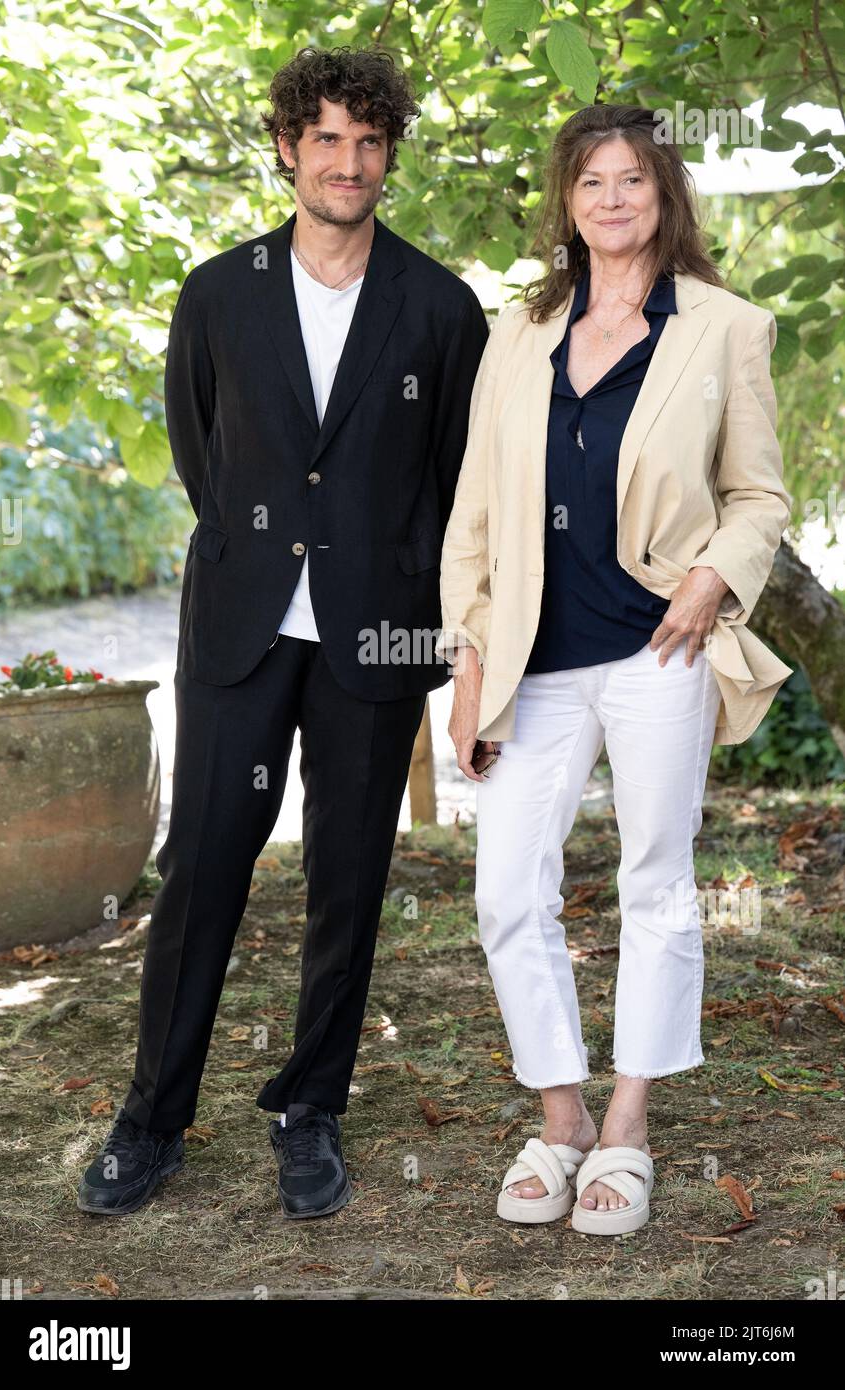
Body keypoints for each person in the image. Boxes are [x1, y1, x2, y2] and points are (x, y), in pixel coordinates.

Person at [78, 45, 488, 1221]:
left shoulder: (439, 305)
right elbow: (204, 456)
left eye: (367, 143)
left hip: (378, 636)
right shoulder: (218, 291)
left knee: (348, 878)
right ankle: (151, 1116)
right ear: (285, 149)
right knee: (202, 866)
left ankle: (310, 1107)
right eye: (325, 140)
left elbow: (452, 482)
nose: (346, 163)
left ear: (388, 155)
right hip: (241, 627)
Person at [437, 104, 792, 1236]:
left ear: (661, 195)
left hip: (658, 650)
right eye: (589, 180)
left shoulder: (723, 329)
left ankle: (628, 1128)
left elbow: (759, 498)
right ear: (567, 201)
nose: (609, 197)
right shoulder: (517, 337)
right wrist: (467, 663)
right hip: (531, 666)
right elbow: (477, 518)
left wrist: (710, 581)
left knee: (653, 883)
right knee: (504, 892)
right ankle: (561, 1113)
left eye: (631, 178)